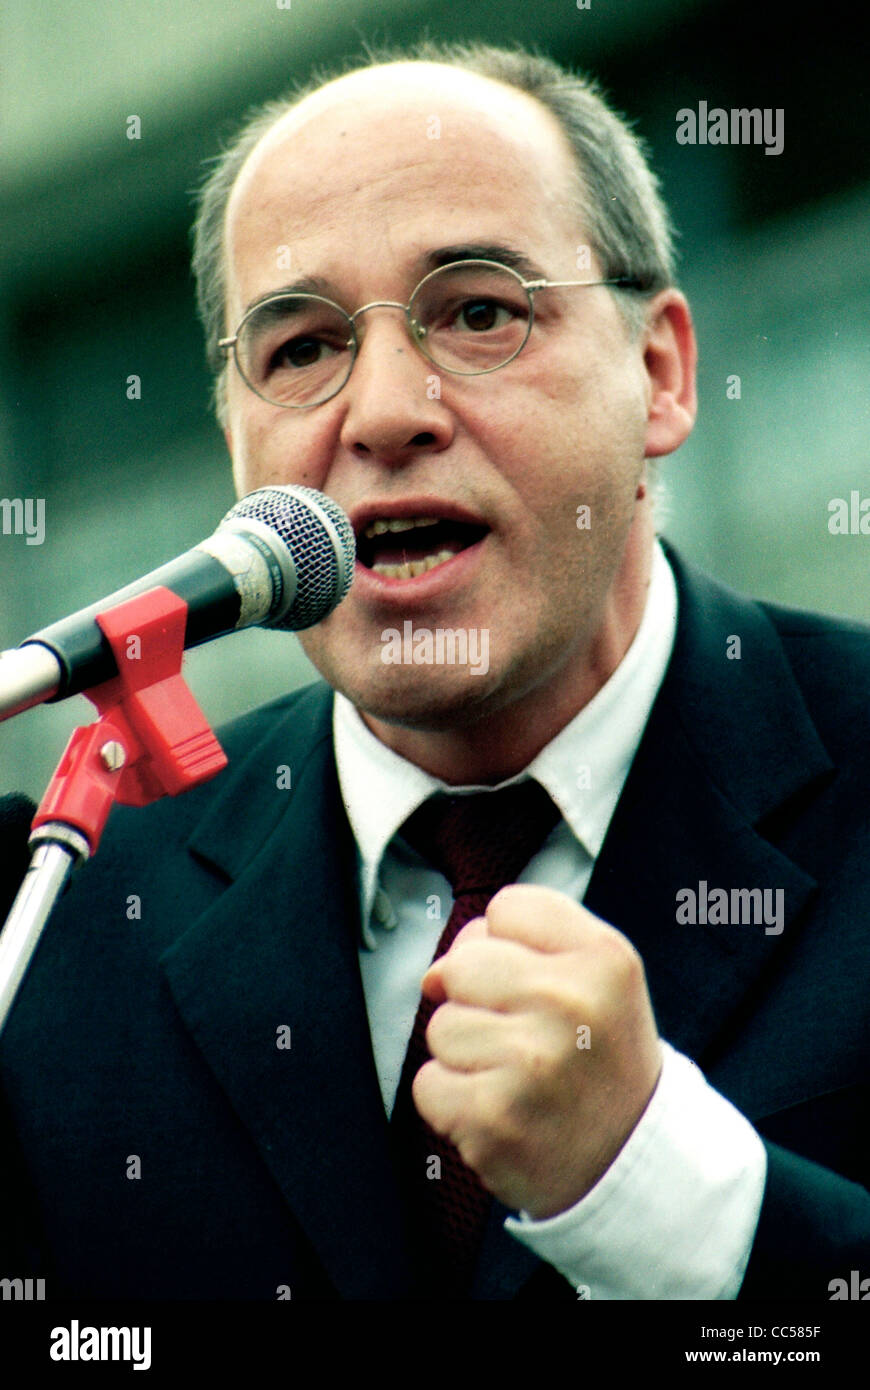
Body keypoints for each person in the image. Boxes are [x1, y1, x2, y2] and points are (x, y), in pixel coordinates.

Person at [1, 39, 868, 1302]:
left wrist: (661, 1192)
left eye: (478, 312)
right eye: (299, 348)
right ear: (234, 435)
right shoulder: (64, 917)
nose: (386, 410)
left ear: (662, 371)